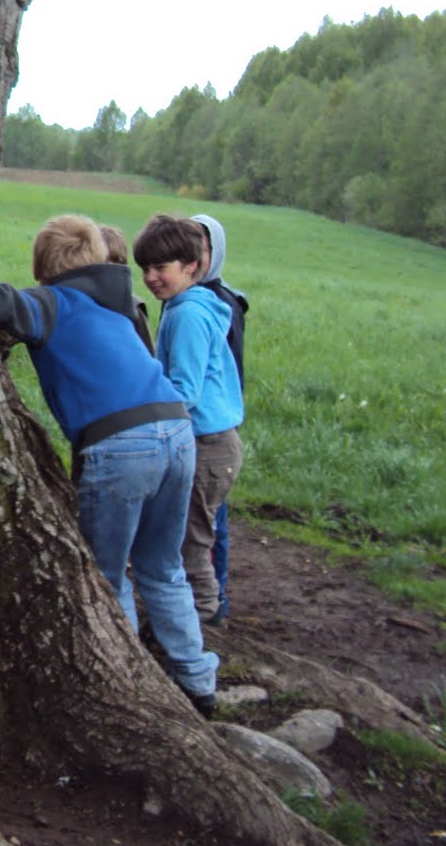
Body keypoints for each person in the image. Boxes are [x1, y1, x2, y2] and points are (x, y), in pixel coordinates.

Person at [0, 215, 218, 715]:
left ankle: (129, 687)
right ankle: (198, 680)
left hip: (120, 444)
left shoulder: (56, 304)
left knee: (106, 576)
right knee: (164, 566)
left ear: (42, 269)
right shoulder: (119, 308)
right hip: (178, 432)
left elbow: (4, 301)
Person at [133, 214, 245, 627]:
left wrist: (140, 403)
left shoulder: (187, 316)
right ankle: (196, 613)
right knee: (188, 535)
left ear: (192, 266)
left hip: (207, 446)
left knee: (191, 540)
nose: (150, 277)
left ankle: (202, 619)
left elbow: (185, 391)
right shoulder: (186, 305)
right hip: (211, 443)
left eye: (161, 268)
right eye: (144, 268)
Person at [192, 213, 249, 624]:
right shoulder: (187, 299)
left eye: (201, 249)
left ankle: (214, 606)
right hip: (207, 426)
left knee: (211, 524)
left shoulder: (215, 303)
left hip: (212, 429)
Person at [97, 224, 153, 352]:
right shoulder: (78, 303)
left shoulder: (132, 308)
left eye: (114, 265)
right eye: (99, 265)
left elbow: (147, 354)